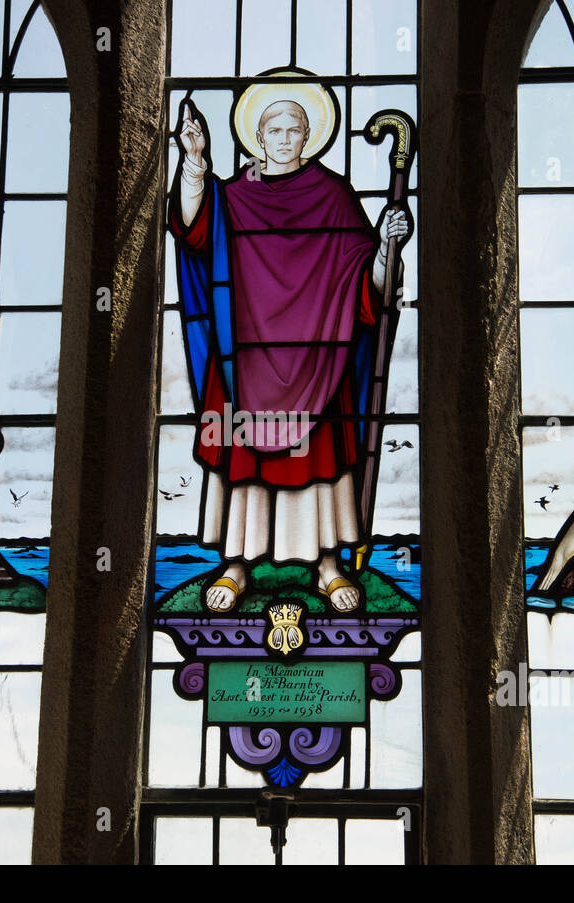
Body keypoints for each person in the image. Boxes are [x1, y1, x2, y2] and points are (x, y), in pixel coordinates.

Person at [171, 89, 409, 613]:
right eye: (273, 130)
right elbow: (194, 232)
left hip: (318, 354)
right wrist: (193, 167)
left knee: (321, 454)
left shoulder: (333, 193)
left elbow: (367, 281)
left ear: (309, 137)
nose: (284, 140)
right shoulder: (233, 195)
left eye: (294, 130)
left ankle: (326, 562)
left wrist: (389, 246)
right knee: (243, 457)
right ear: (257, 137)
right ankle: (236, 562)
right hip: (245, 357)